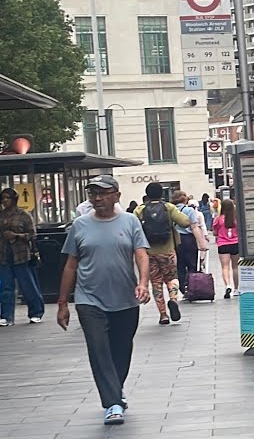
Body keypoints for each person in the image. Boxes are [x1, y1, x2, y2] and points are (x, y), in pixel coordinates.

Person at [57, 175, 150, 426]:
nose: (97, 198)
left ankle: (115, 389)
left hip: (125, 298)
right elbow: (70, 265)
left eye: (103, 193)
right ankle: (112, 403)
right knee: (99, 350)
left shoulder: (130, 222)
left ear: (116, 196)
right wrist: (63, 303)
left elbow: (141, 255)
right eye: (93, 193)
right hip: (89, 299)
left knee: (121, 348)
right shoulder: (80, 225)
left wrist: (143, 282)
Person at [133, 183, 190, 325]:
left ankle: (163, 314)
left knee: (156, 283)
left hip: (148, 253)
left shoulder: (140, 210)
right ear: (162, 194)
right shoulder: (168, 207)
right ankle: (173, 299)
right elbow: (185, 222)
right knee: (172, 278)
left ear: (147, 194)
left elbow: (131, 228)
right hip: (168, 251)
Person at [0, 187, 44, 326]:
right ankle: (7, 316)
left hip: (21, 255)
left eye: (7, 198)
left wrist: (16, 236)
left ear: (14, 199)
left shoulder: (24, 215)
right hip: (4, 255)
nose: (5, 201)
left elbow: (32, 234)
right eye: (3, 198)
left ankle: (36, 313)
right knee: (6, 287)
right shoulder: (1, 215)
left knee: (28, 285)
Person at [171, 192, 204, 296]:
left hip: (175, 240)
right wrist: (202, 243)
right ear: (184, 199)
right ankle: (191, 287)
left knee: (180, 266)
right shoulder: (189, 210)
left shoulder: (170, 210)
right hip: (188, 239)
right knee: (191, 264)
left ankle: (182, 289)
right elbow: (194, 227)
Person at [212, 199, 239, 299]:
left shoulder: (218, 219)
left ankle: (228, 285)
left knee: (225, 267)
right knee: (235, 267)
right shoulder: (236, 218)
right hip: (235, 243)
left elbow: (215, 232)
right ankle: (236, 289)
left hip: (223, 244)